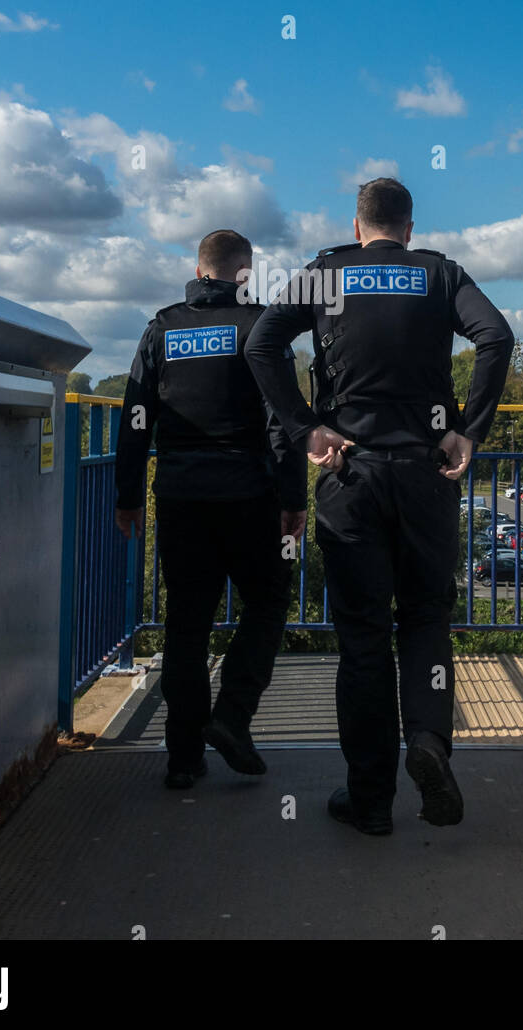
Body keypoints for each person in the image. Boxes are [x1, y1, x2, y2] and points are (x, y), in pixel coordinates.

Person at [244, 179, 514, 835]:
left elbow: (260, 345)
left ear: (357, 226)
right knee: (425, 620)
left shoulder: (324, 275)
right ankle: (427, 739)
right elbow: (497, 338)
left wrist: (306, 425)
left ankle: (369, 802)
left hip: (349, 474)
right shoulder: (439, 274)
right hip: (427, 475)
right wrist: (467, 430)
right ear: (410, 227)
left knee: (364, 641)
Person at [114, 229, 307, 790]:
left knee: (187, 622)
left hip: (179, 495)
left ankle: (182, 759)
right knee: (268, 601)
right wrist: (293, 499)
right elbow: (283, 419)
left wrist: (128, 496)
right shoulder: (260, 329)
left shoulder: (162, 328)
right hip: (249, 495)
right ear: (244, 273)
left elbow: (136, 417)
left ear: (198, 269)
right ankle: (232, 717)